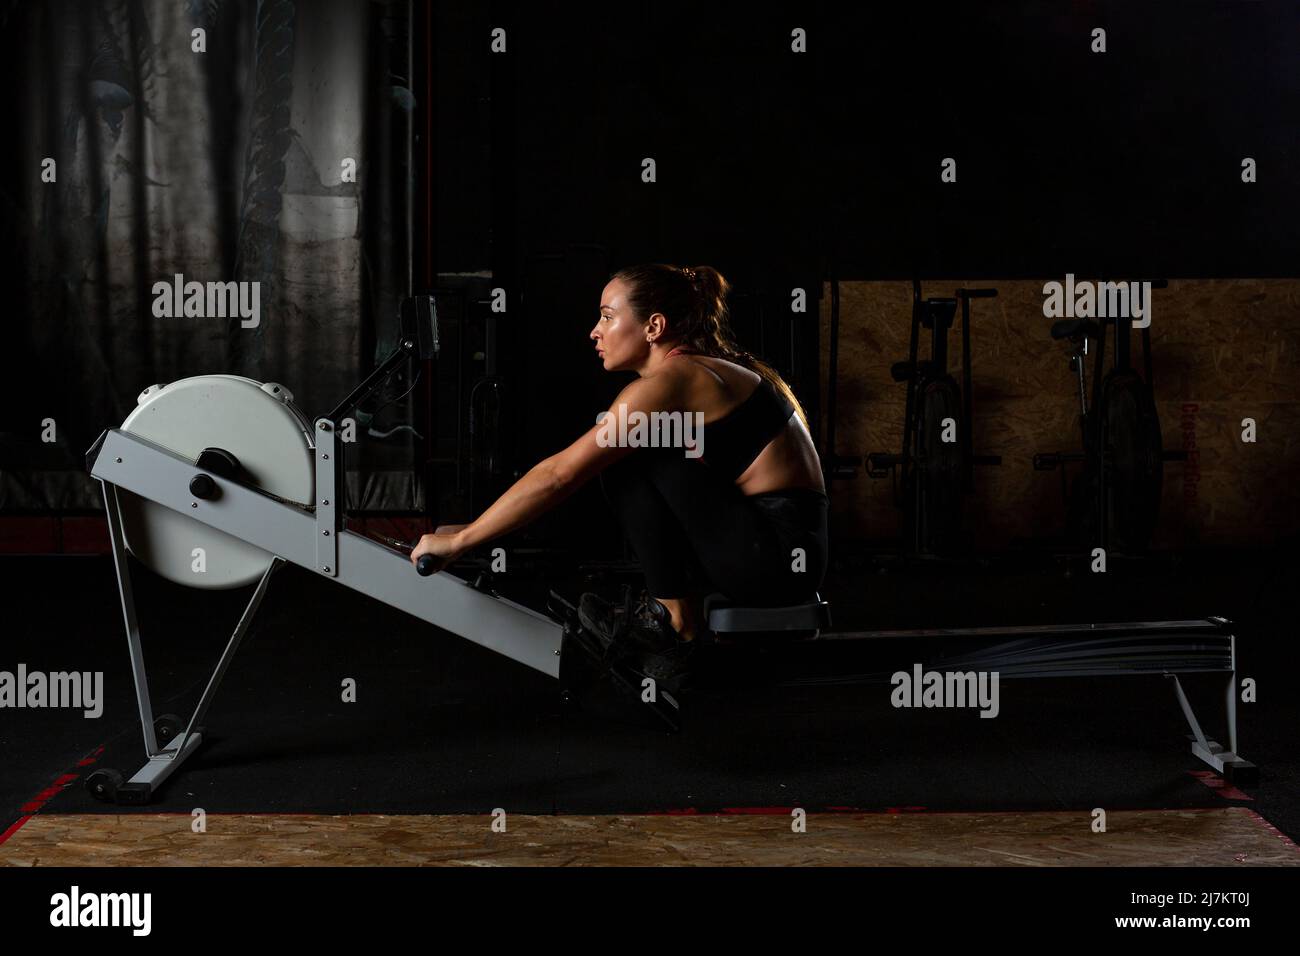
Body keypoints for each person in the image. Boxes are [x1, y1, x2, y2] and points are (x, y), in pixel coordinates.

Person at [411, 263, 828, 677]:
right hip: (784, 555)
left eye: (608, 317)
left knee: (629, 454)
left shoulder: (673, 382)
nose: (595, 330)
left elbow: (560, 474)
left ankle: (672, 620)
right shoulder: (700, 369)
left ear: (654, 327)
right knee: (633, 448)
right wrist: (471, 531)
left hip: (774, 563)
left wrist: (464, 539)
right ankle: (673, 613)